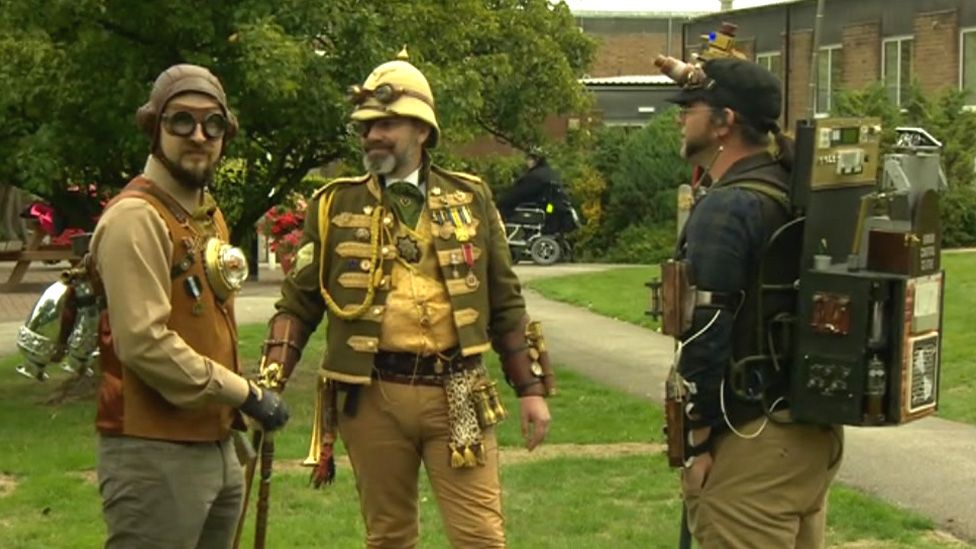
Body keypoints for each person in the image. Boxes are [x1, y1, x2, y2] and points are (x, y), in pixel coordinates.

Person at [258, 49, 555, 548]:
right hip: (371, 395)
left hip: (458, 388)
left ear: (422, 129)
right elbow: (298, 303)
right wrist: (270, 382)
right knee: (389, 537)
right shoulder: (334, 203)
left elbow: (505, 300)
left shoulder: (471, 196)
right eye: (367, 124)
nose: (373, 134)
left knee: (481, 536)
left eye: (389, 122)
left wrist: (529, 388)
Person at [90, 64, 289, 549]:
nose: (199, 135)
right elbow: (145, 344)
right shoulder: (136, 219)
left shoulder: (206, 215)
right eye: (182, 120)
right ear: (154, 127)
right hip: (153, 453)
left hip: (215, 445)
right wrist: (244, 393)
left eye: (213, 124)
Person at [669, 58, 842, 548]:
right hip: (808, 436)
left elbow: (705, 328)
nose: (681, 117)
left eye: (691, 108)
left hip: (749, 443)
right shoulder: (791, 189)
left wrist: (698, 440)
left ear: (725, 122)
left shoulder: (727, 207)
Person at [496, 148, 564, 221]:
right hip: (552, 212)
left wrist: (499, 202)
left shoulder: (534, 176)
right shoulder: (553, 174)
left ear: (536, 160)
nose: (527, 162)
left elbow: (517, 194)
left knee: (502, 208)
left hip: (533, 211)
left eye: (529, 159)